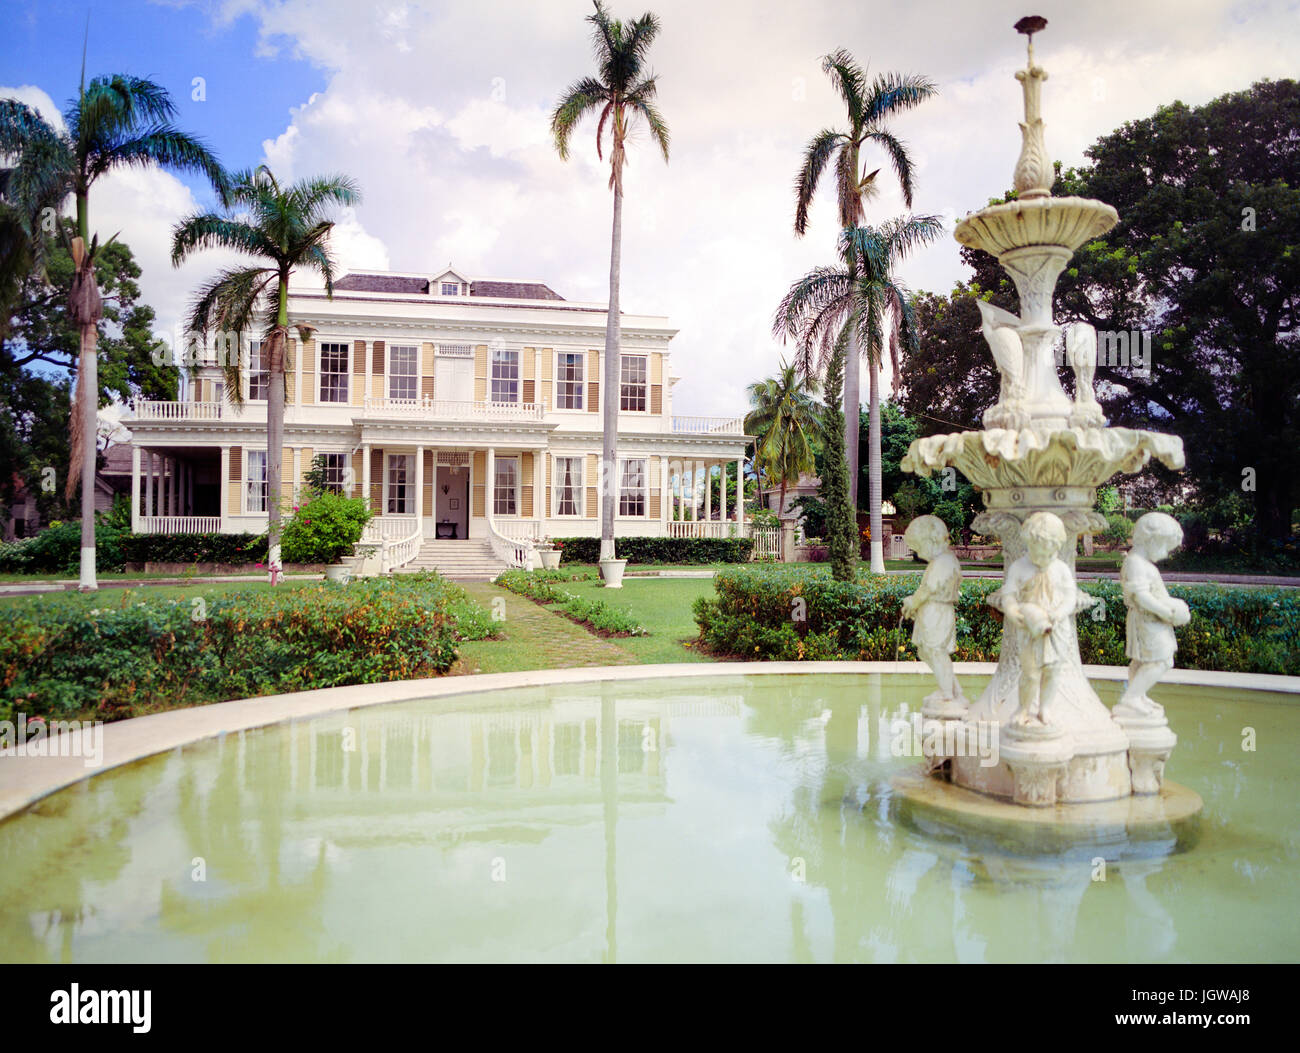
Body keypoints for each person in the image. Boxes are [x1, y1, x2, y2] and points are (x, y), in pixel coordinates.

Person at [995, 512, 1075, 728]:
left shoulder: (1061, 569)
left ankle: (1045, 708)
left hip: (1057, 627)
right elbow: (1009, 594)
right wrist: (1012, 611)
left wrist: (1059, 613)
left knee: (1053, 671)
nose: (1043, 560)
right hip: (1029, 627)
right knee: (1030, 673)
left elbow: (1070, 597)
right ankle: (1023, 709)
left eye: (1049, 555)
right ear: (1028, 544)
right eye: (1038, 554)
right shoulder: (1019, 567)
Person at [1117, 513, 1190, 717]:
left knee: (1143, 661)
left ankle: (1137, 696)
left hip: (1151, 619)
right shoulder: (1135, 563)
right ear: (1153, 540)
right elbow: (1141, 597)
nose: (1166, 554)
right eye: (1166, 547)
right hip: (1146, 619)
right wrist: (1167, 612)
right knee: (1161, 660)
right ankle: (1131, 697)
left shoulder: (1143, 563)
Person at [901, 516, 966, 705]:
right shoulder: (941, 561)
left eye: (919, 548)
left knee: (935, 651)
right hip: (931, 610)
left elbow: (929, 589)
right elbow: (926, 590)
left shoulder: (943, 562)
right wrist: (915, 602)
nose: (919, 554)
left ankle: (947, 693)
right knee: (926, 651)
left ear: (931, 541)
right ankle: (953, 689)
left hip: (937, 611)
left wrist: (914, 602)